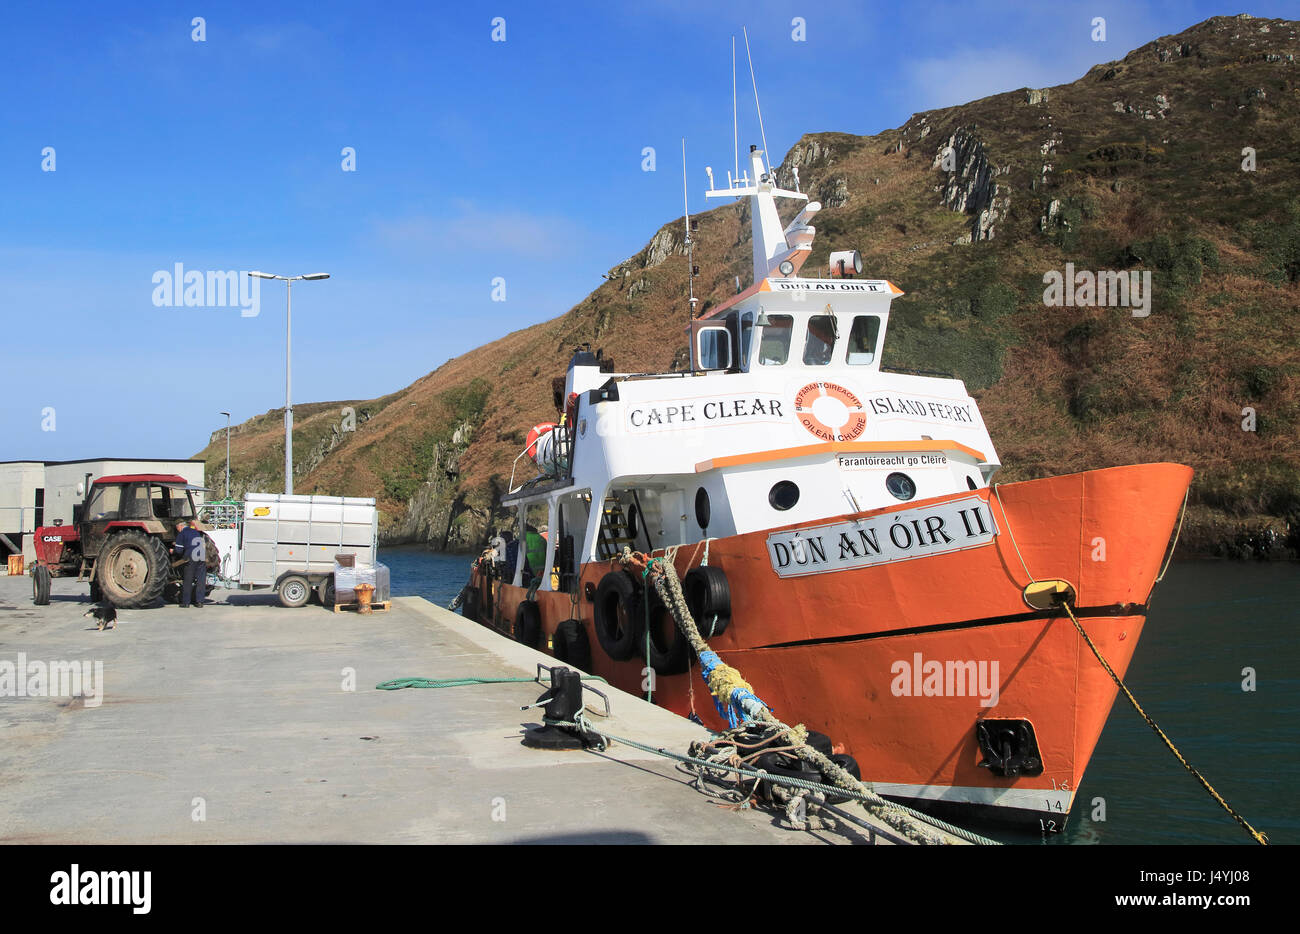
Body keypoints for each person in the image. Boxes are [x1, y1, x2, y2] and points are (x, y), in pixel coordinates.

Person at [172, 519, 206, 608]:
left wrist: (173, 550)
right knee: (201, 580)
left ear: (180, 526)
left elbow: (179, 551)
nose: (177, 530)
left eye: (177, 528)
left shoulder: (182, 534)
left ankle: (186, 602)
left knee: (188, 580)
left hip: (191, 557)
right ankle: (200, 602)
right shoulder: (195, 531)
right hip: (201, 556)